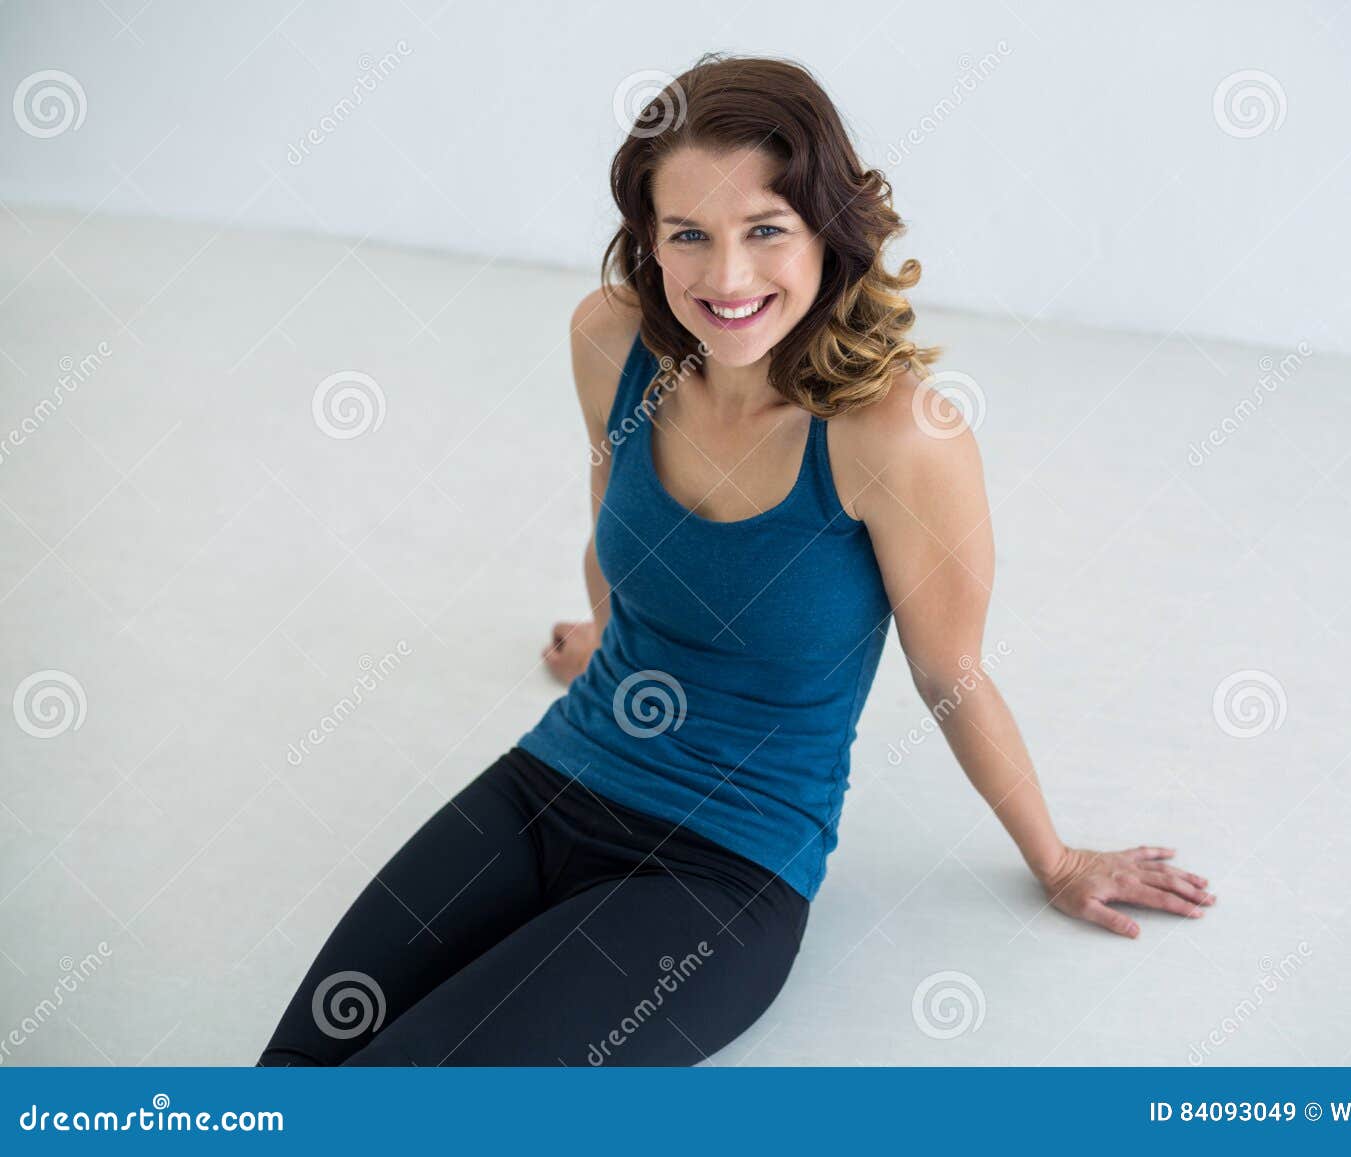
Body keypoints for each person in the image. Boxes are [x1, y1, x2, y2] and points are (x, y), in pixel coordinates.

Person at [256, 51, 1214, 1069]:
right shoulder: (610, 342)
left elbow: (950, 672)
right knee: (295, 1070)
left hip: (721, 872)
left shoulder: (896, 436)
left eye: (765, 230)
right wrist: (613, 635)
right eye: (688, 236)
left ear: (826, 231)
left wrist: (1057, 858)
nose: (726, 277)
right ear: (649, 242)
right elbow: (611, 518)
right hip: (547, 782)